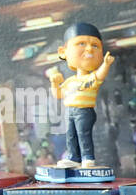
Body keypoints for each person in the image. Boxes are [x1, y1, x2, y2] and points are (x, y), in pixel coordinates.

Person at [46, 22, 114, 169]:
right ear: (63, 52)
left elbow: (100, 76)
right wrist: (54, 83)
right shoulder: (70, 81)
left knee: (83, 134)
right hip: (70, 111)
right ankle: (74, 157)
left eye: (95, 46)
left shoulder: (90, 78)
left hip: (84, 111)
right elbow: (58, 94)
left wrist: (106, 65)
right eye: (81, 43)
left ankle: (88, 157)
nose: (89, 48)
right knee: (71, 135)